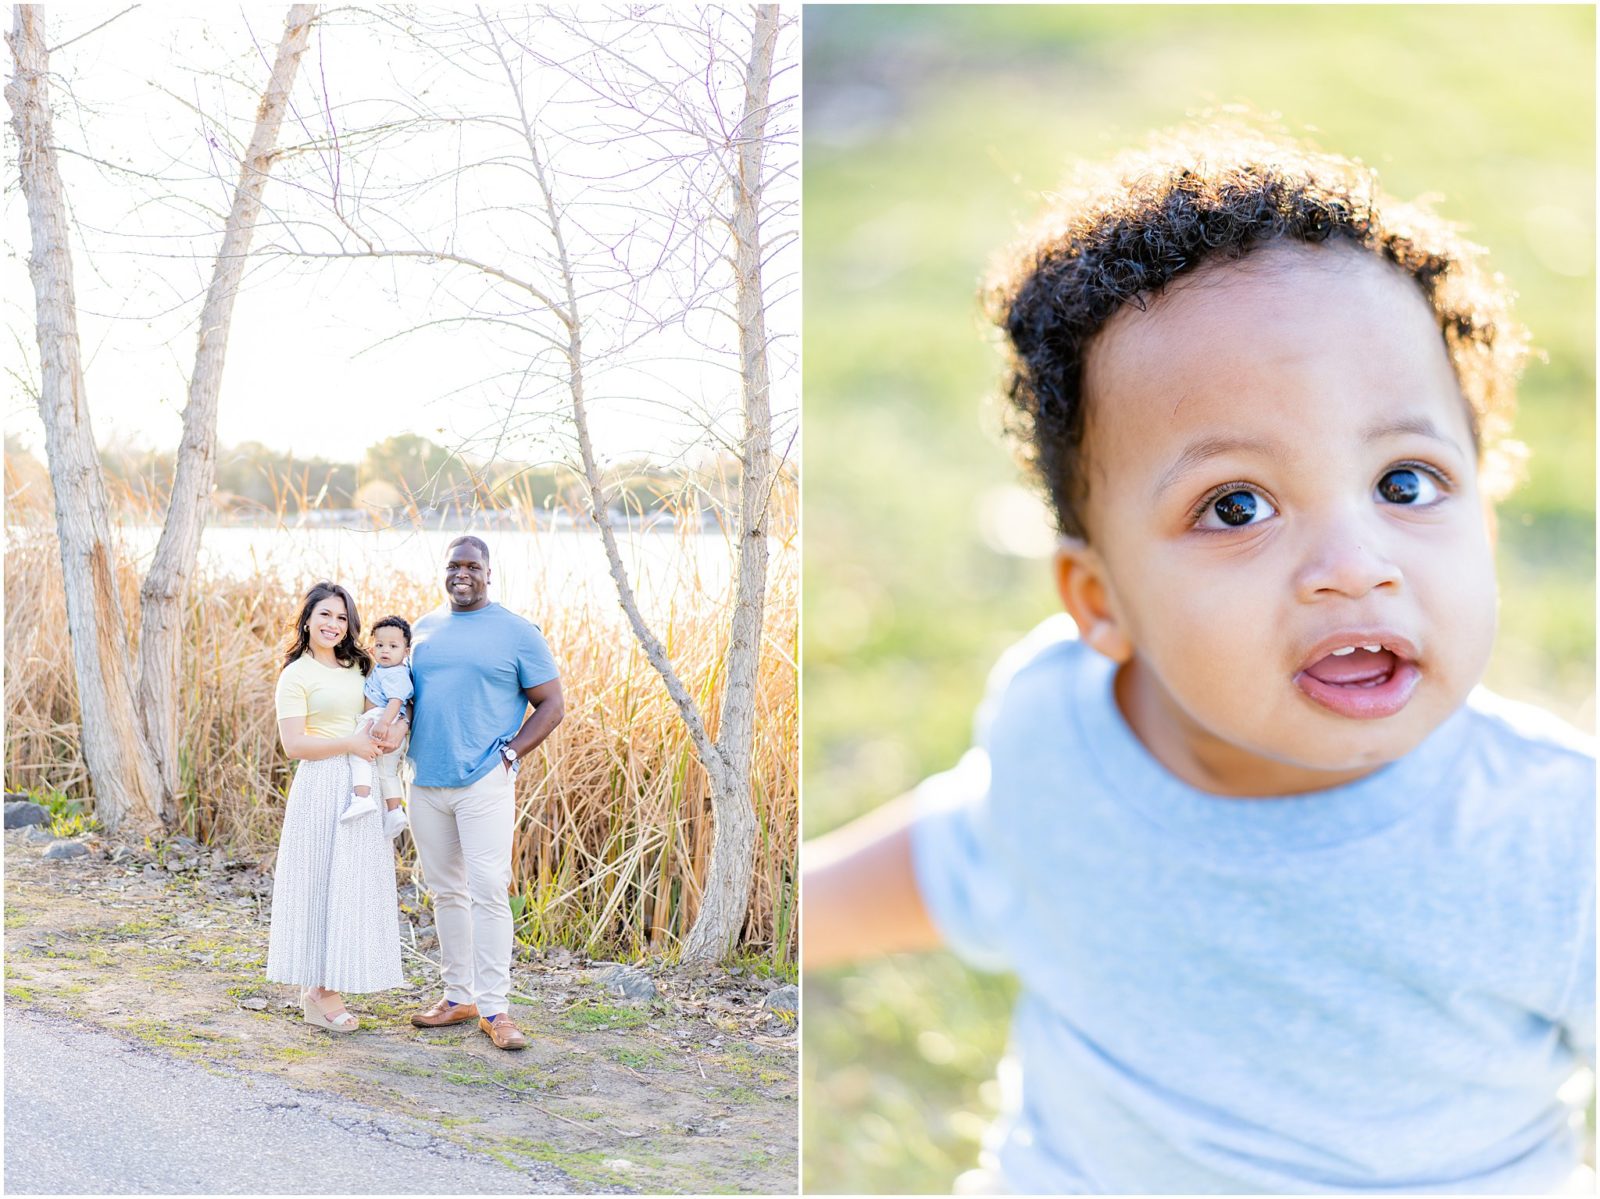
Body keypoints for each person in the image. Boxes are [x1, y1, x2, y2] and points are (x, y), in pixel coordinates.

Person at [804, 127, 1595, 1194]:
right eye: (1236, 506)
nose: (1352, 567)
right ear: (1103, 600)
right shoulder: (1060, 727)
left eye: (1405, 482)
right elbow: (979, 842)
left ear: (1485, 521)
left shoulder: (1553, 842)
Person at [406, 535, 564, 1051]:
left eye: (472, 566)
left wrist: (512, 753)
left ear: (489, 573)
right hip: (426, 781)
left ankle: (496, 1008)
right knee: (446, 891)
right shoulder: (423, 630)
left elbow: (551, 705)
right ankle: (458, 997)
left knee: (490, 890)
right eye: (454, 565)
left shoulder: (517, 632)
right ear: (444, 571)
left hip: (483, 782)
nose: (462, 574)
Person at [266, 581, 405, 1032]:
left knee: (352, 883)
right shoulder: (296, 674)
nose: (333, 624)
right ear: (307, 619)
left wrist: (396, 727)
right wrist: (351, 742)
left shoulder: (360, 665)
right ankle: (321, 990)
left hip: (360, 781)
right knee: (319, 881)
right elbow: (294, 744)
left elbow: (389, 705)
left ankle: (327, 984)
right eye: (325, 615)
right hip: (322, 782)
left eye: (342, 618)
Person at [341, 614, 413, 839]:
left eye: (393, 646)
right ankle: (394, 811)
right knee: (387, 772)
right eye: (380, 645)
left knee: (358, 756)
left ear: (406, 651)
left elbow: (396, 700)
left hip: (381, 718)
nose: (385, 650)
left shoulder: (395, 672)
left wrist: (382, 723)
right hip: (388, 720)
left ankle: (362, 798)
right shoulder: (385, 669)